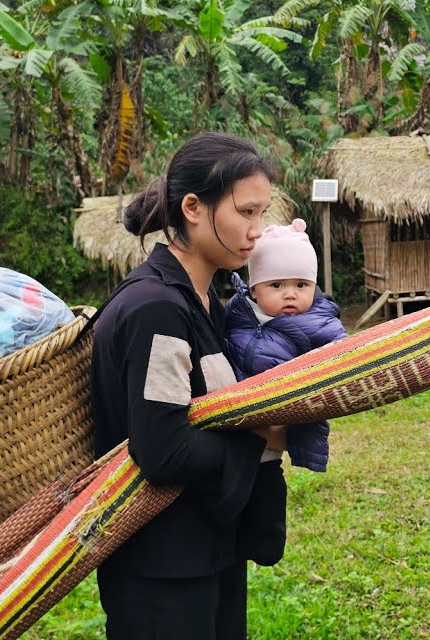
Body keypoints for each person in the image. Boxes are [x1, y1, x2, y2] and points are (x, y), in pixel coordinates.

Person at [89, 131, 285, 639]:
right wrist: (263, 438)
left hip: (204, 549)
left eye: (261, 214)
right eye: (245, 212)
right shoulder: (156, 308)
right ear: (193, 208)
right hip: (161, 570)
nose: (257, 230)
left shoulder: (206, 302)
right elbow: (162, 448)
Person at [222, 217, 348, 566]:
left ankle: (265, 544)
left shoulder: (320, 322)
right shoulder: (237, 313)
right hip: (234, 435)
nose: (290, 294)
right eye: (276, 284)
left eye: (301, 284)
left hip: (279, 433)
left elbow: (346, 358)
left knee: (267, 507)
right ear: (255, 289)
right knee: (231, 505)